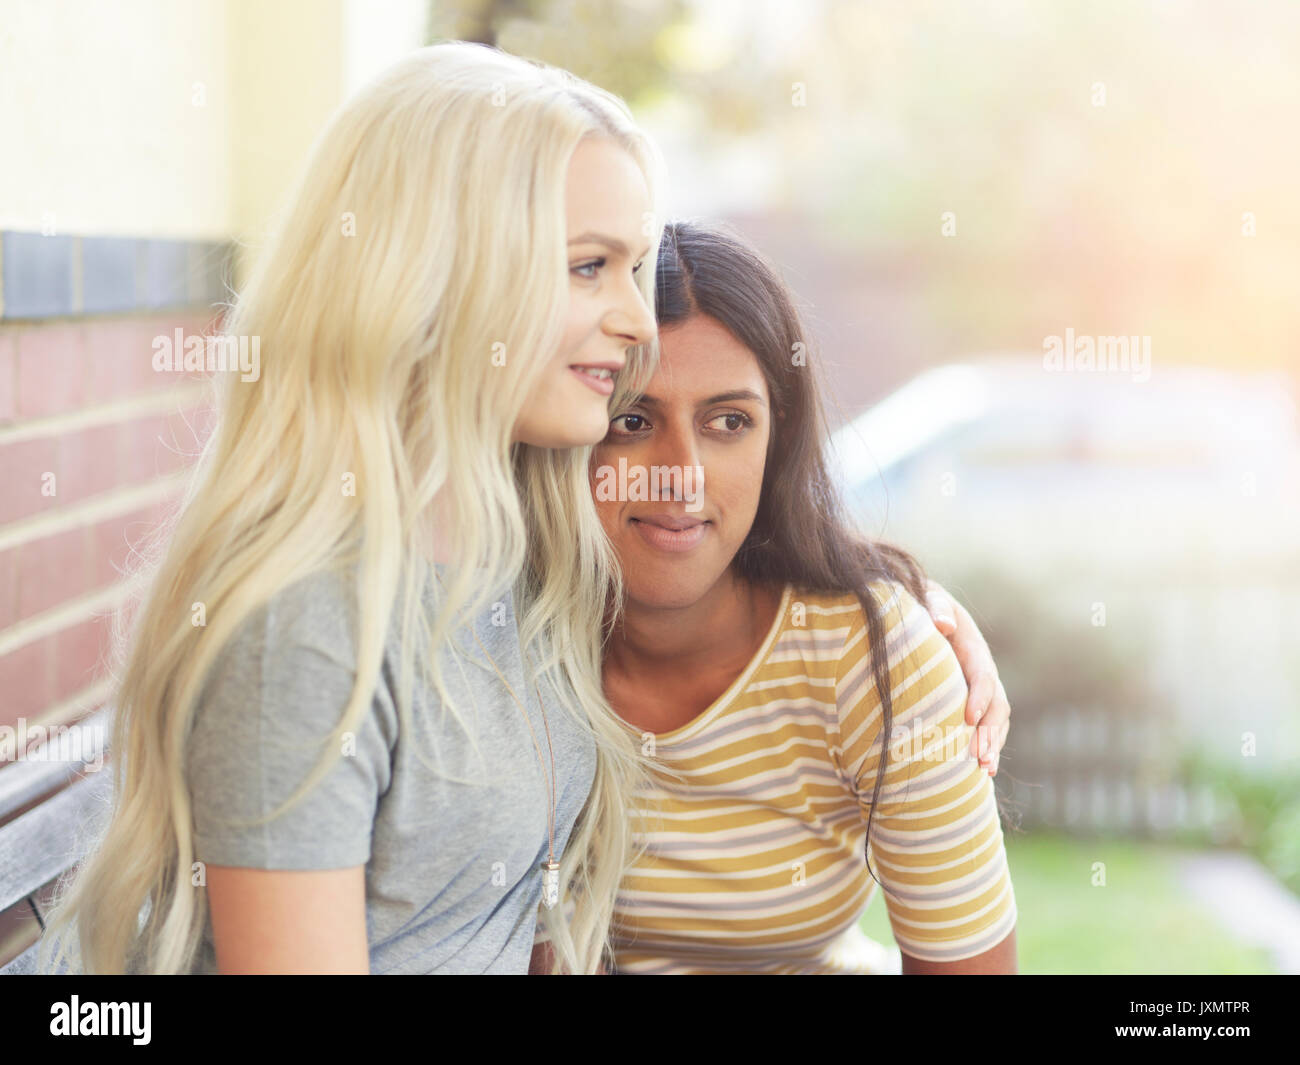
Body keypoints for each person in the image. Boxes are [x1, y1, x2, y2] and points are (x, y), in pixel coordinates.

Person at [33, 41, 665, 975]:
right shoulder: (307, 633)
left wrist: (916, 626)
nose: (639, 321)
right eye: (587, 267)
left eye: (636, 267)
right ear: (442, 272)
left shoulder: (524, 546)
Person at [582, 220, 1017, 973]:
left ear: (776, 443)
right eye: (633, 419)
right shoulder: (503, 635)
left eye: (729, 421)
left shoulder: (874, 657)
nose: (681, 474)